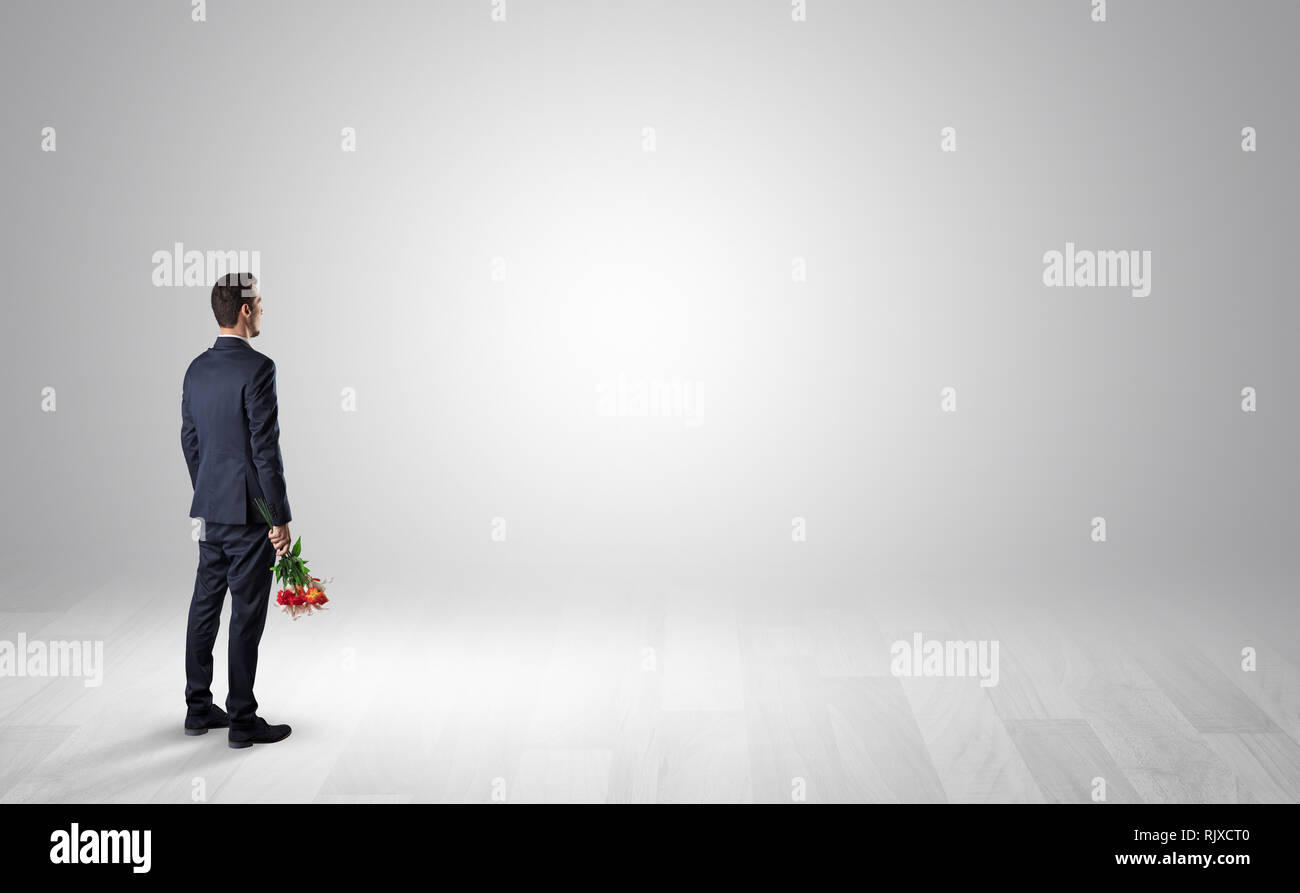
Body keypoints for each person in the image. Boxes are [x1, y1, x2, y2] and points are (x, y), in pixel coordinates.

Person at [180, 272, 293, 748]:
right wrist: (278, 518)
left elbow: (190, 440)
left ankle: (198, 709)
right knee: (247, 614)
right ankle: (243, 722)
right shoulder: (259, 368)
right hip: (250, 513)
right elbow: (264, 450)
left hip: (211, 510)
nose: (264, 309)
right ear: (244, 310)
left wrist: (208, 490)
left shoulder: (195, 369)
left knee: (205, 605)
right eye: (261, 303)